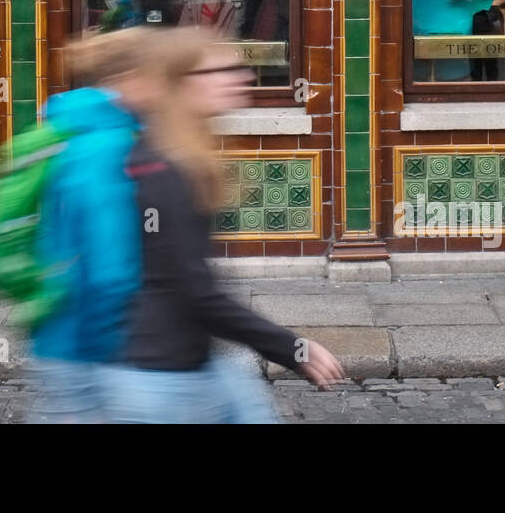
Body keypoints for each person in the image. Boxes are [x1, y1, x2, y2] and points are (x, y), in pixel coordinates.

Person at [98, 29, 344, 422]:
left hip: (184, 365)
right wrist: (294, 349)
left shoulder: (176, 156)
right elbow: (195, 291)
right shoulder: (163, 171)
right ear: (182, 85)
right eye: (222, 70)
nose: (242, 77)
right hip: (160, 383)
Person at [26, 28, 157, 423]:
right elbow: (110, 267)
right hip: (89, 346)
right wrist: (125, 348)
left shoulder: (73, 126)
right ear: (129, 77)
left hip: (61, 332)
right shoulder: (111, 145)